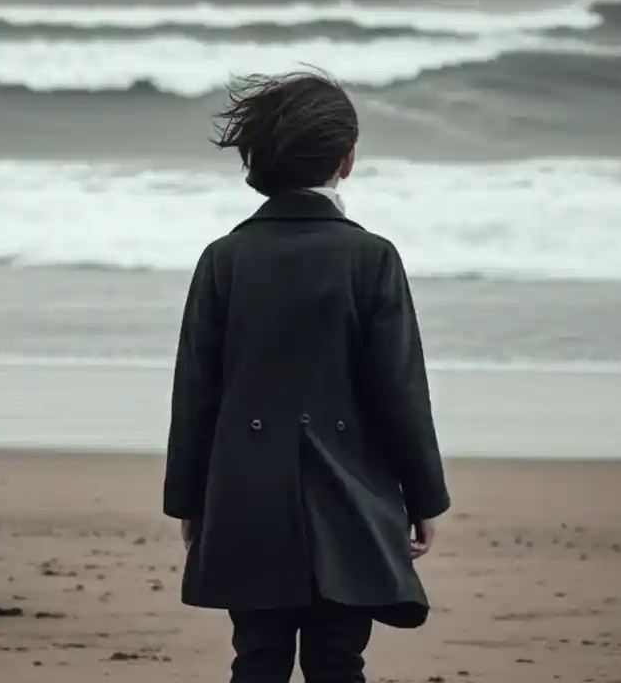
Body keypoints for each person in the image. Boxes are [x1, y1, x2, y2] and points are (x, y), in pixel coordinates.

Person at [163, 71, 450, 683]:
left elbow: (195, 394)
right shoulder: (372, 258)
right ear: (346, 161)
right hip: (350, 498)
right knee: (339, 661)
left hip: (246, 497)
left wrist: (190, 499)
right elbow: (399, 392)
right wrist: (424, 497)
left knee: (258, 660)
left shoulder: (223, 259)